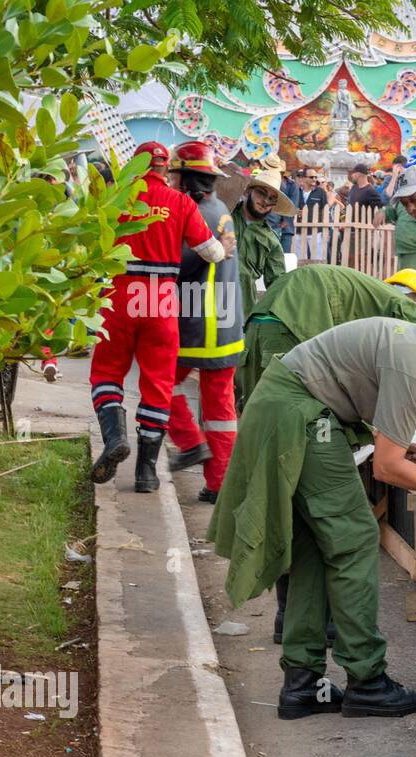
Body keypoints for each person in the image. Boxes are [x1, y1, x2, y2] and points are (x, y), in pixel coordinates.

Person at [208, 281, 416, 719]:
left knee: (315, 547)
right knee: (355, 537)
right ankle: (368, 681)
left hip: (289, 408)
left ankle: (303, 686)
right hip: (298, 414)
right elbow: (388, 467)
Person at [89, 142, 230, 493]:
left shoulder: (116, 198)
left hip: (120, 294)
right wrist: (223, 247)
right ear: (166, 171)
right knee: (158, 385)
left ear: (135, 166)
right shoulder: (181, 202)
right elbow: (210, 253)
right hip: (161, 300)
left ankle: (115, 436)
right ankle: (146, 473)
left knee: (107, 372)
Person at [165, 142, 244, 504]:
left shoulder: (196, 214)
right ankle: (219, 483)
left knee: (158, 385)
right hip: (225, 326)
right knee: (221, 412)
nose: (171, 181)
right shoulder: (219, 209)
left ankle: (190, 441)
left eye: (175, 175)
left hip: (195, 324)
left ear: (188, 179)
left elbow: (177, 267)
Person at [239, 263, 416, 402]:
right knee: (288, 414)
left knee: (254, 412)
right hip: (291, 322)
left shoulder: (368, 294)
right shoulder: (404, 304)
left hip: (260, 318)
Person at [232, 165, 291, 318]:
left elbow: (277, 287)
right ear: (247, 191)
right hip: (202, 302)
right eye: (261, 193)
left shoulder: (271, 241)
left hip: (241, 314)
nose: (265, 201)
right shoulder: (223, 215)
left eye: (272, 199)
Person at [379, 163, 416, 273]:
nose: (410, 208)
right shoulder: (403, 200)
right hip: (402, 253)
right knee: (403, 287)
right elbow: (391, 211)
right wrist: (383, 211)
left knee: (413, 287)